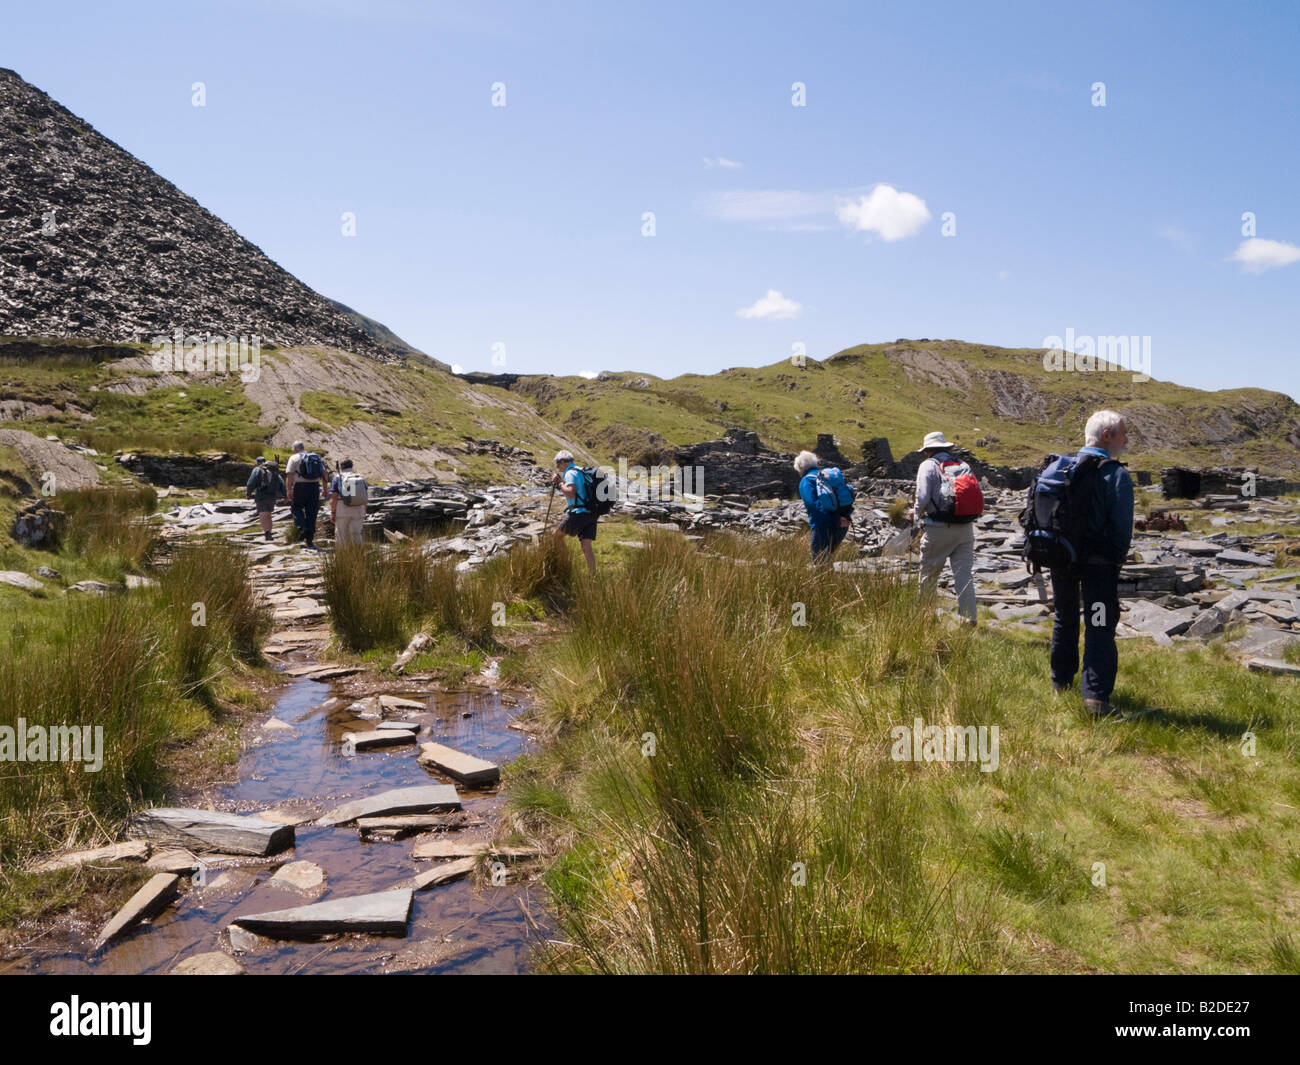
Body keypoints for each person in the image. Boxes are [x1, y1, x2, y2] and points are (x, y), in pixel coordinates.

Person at [1049, 410, 1134, 718]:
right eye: (1123, 433)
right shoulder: (1115, 474)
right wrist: (1117, 559)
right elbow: (1123, 529)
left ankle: (1061, 683)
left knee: (1065, 617)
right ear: (1107, 436)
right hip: (1098, 567)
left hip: (1062, 559)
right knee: (1098, 623)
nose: (1127, 439)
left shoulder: (1061, 468)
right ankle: (1095, 698)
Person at [909, 431, 978, 624]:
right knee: (964, 575)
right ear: (946, 447)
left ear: (927, 450)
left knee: (929, 575)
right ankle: (968, 619)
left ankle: (925, 617)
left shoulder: (928, 466)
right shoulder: (963, 465)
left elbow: (922, 496)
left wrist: (914, 513)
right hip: (965, 528)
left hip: (938, 527)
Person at [794, 450, 851, 561]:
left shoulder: (806, 481)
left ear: (801, 468)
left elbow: (813, 506)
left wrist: (836, 520)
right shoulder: (826, 476)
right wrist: (843, 518)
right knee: (828, 558)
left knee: (819, 563)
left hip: (824, 526)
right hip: (843, 523)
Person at [551, 450, 597, 574]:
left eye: (558, 463)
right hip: (591, 513)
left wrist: (559, 484)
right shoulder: (581, 471)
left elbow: (571, 492)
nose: (557, 466)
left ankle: (566, 566)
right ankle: (593, 575)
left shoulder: (570, 473)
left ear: (564, 462)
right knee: (586, 546)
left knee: (556, 537)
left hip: (578, 513)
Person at [284, 440, 329, 549]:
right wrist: (325, 488)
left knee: (296, 508)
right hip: (314, 487)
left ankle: (301, 526)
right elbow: (324, 474)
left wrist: (289, 490)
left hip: (300, 487)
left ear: (295, 449)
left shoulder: (294, 458)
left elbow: (290, 475)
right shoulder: (316, 457)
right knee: (312, 512)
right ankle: (309, 541)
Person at [329, 458, 368, 547]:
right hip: (358, 509)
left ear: (341, 466)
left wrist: (333, 512)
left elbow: (334, 498)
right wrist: (364, 512)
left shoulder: (338, 478)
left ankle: (342, 557)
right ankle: (358, 555)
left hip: (342, 509)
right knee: (356, 534)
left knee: (341, 535)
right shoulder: (359, 477)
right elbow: (365, 497)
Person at [245, 456, 286, 542]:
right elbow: (281, 482)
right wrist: (285, 495)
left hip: (261, 494)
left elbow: (250, 483)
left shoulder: (257, 469)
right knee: (268, 514)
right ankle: (269, 533)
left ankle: (267, 533)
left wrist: (248, 494)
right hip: (272, 495)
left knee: (263, 514)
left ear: (257, 462)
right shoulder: (273, 469)